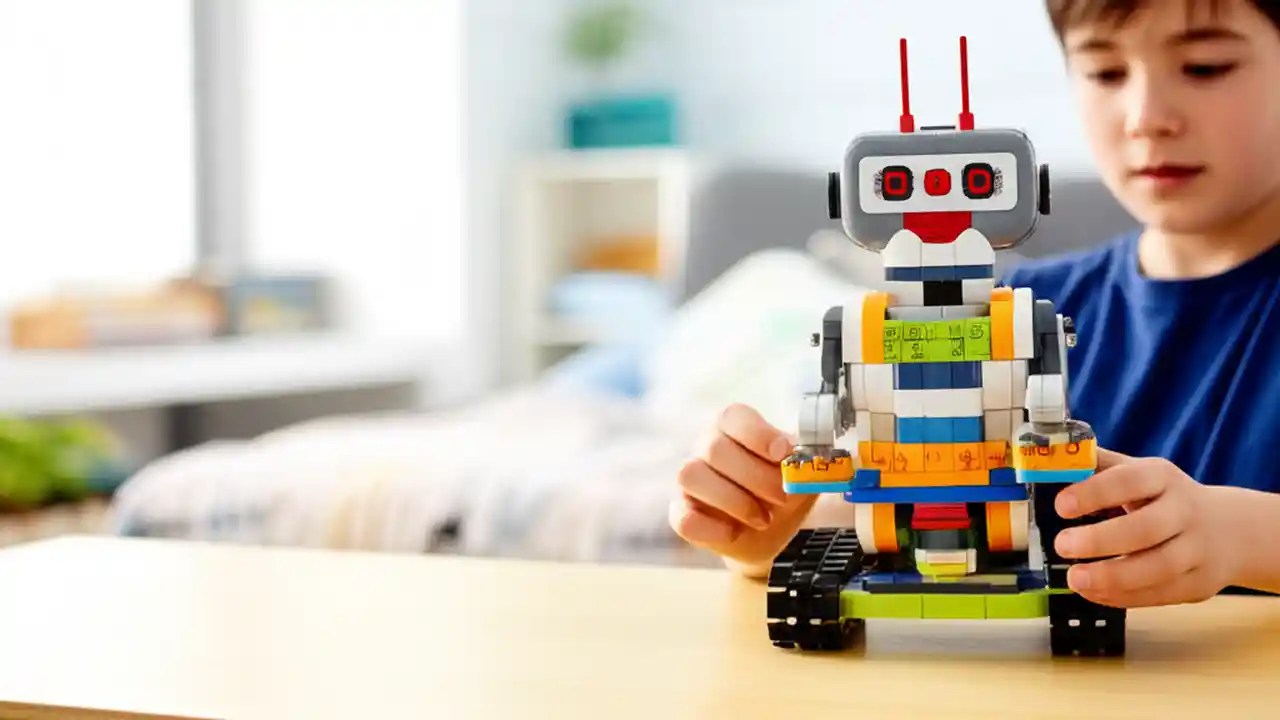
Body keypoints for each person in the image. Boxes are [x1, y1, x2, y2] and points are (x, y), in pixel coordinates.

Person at [668, 0, 1280, 609]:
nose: (1146, 117)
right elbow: (863, 511)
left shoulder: (1029, 325)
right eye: (1104, 72)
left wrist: (1246, 535)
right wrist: (763, 528)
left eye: (1206, 66)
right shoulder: (1020, 306)